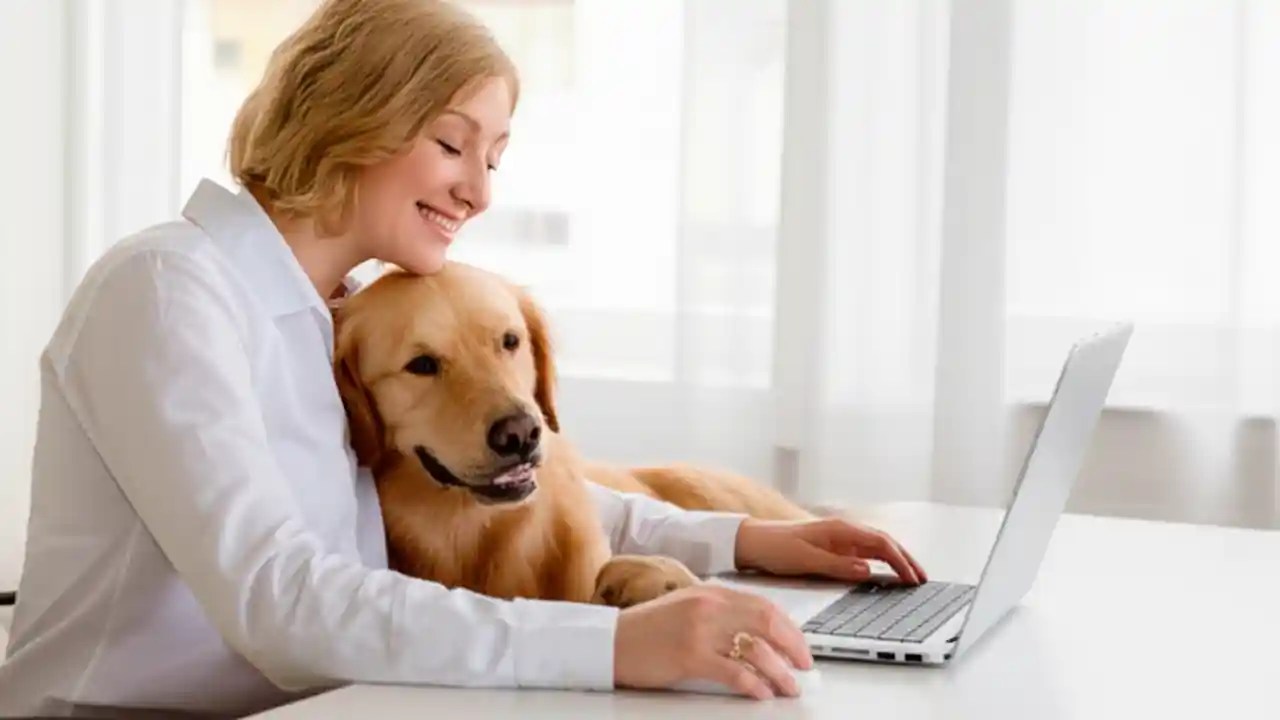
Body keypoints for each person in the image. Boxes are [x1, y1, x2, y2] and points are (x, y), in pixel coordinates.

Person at [0, 0, 927, 716]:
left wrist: (746, 540)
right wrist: (614, 647)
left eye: (496, 157)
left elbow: (487, 479)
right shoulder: (168, 291)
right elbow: (278, 599)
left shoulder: (335, 315)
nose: (478, 191)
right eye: (452, 144)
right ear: (351, 120)